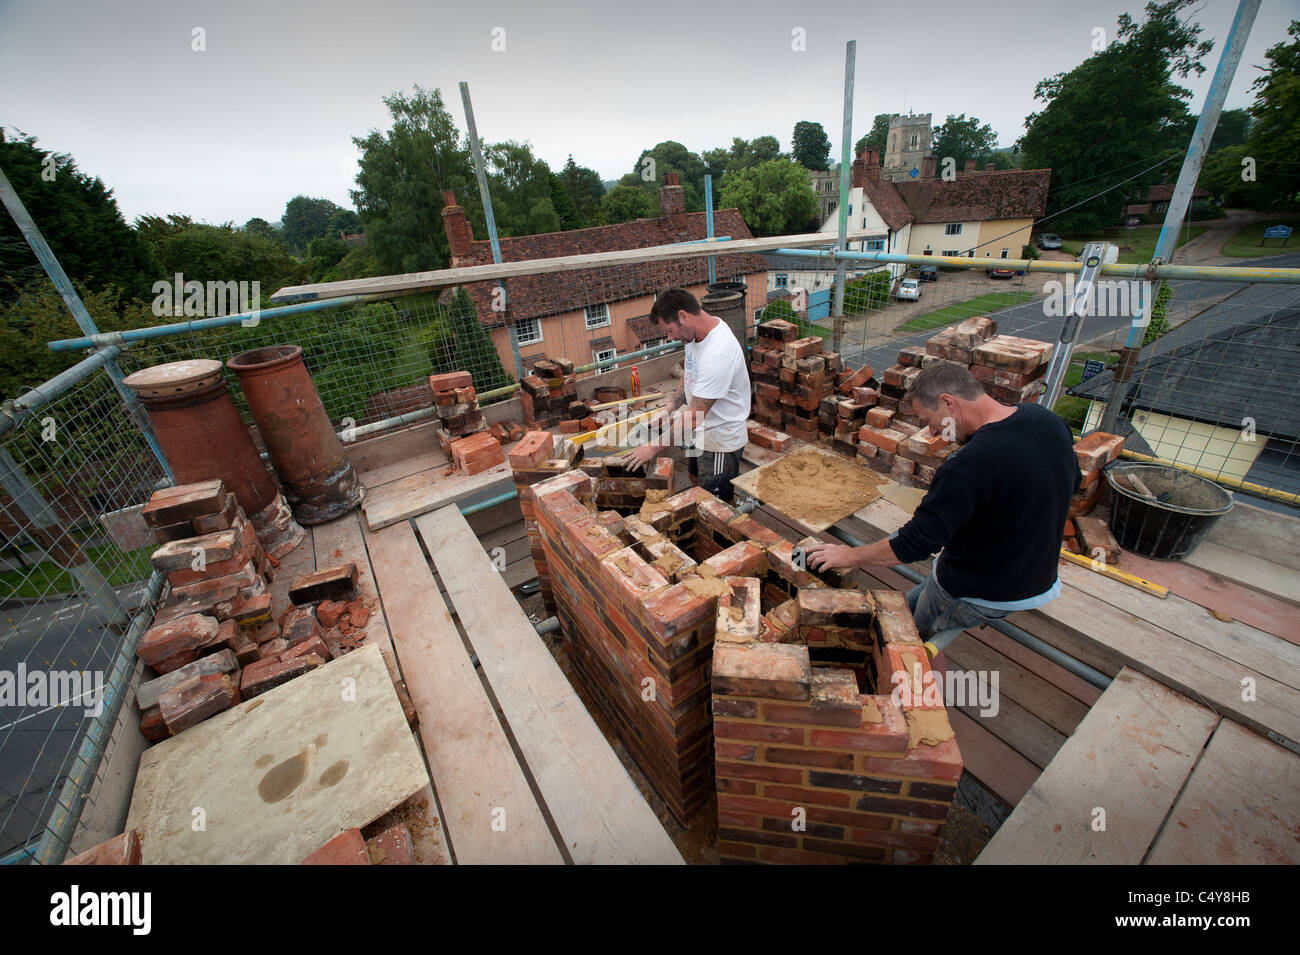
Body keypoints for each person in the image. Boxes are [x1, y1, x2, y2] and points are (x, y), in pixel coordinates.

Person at [806, 360, 1080, 657]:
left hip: (983, 589)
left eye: (928, 419)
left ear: (948, 402)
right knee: (901, 607)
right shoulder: (1045, 420)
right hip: (1036, 574)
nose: (933, 431)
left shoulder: (968, 465)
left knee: (908, 647)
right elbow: (1071, 482)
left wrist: (847, 555)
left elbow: (913, 545)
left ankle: (917, 698)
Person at [625, 287, 751, 502]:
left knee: (717, 502)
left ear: (683, 316)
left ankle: (721, 534)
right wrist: (668, 408)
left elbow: (694, 417)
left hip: (720, 437)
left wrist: (651, 448)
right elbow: (690, 371)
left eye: (669, 330)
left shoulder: (718, 352)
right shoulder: (695, 334)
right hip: (701, 431)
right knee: (695, 478)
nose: (670, 337)